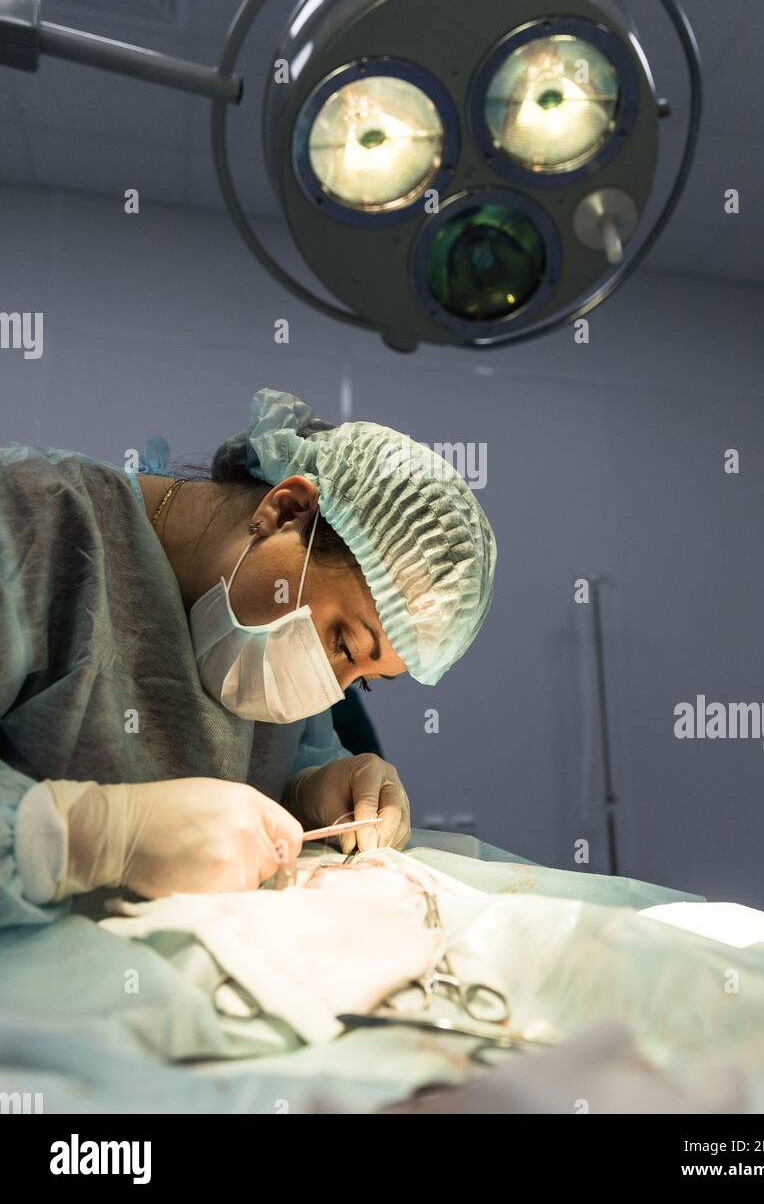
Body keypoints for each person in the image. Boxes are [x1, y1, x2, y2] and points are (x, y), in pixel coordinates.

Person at [0, 389, 496, 927]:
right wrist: (86, 838)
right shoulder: (34, 523)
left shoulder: (270, 641)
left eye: (365, 680)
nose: (332, 687)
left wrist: (310, 788)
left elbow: (267, 773)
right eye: (343, 645)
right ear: (285, 509)